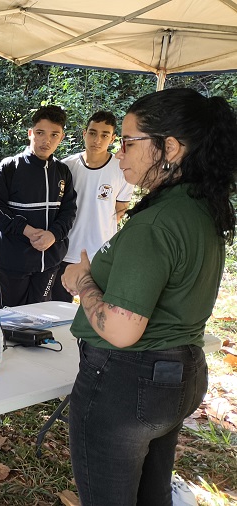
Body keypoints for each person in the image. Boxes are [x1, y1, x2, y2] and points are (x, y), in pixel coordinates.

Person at [61, 88, 236, 505]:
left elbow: (121, 330)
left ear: (169, 147)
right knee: (151, 494)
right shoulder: (197, 208)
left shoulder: (156, 222)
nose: (119, 154)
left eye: (128, 142)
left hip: (126, 382)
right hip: (179, 374)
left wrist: (84, 281)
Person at [0, 105, 76, 308]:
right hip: (13, 259)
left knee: (40, 312)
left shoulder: (62, 172)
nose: (47, 140)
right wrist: (27, 230)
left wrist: (53, 235)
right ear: (30, 133)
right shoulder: (8, 167)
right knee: (10, 314)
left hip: (50, 260)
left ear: (61, 137)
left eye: (54, 134)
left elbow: (69, 211)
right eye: (40, 133)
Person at [50, 111, 133, 303]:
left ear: (113, 138)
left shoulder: (121, 168)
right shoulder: (66, 166)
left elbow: (120, 209)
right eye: (93, 133)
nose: (97, 139)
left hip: (101, 253)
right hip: (65, 249)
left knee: (96, 307)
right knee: (58, 306)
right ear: (84, 133)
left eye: (105, 135)